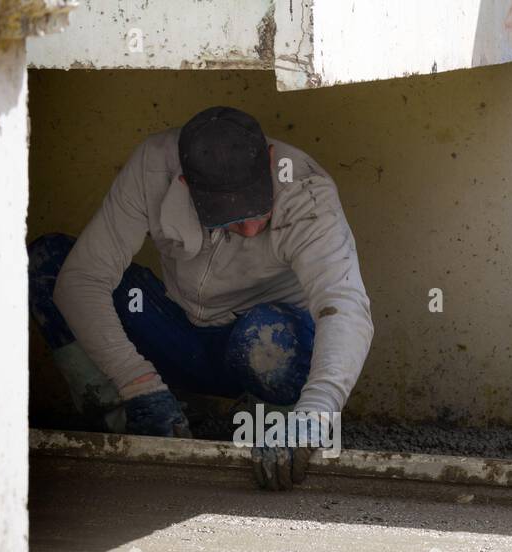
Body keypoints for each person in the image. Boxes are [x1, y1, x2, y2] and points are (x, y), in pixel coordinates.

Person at [28, 105, 373, 490]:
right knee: (49, 264)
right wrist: (137, 382)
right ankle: (137, 425)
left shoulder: (305, 189)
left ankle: (276, 440)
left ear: (270, 160)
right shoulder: (154, 167)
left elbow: (343, 303)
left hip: (258, 347)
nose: (250, 228)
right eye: (231, 214)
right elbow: (83, 279)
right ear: (186, 184)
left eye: (256, 205)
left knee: (269, 338)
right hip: (175, 334)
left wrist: (317, 412)